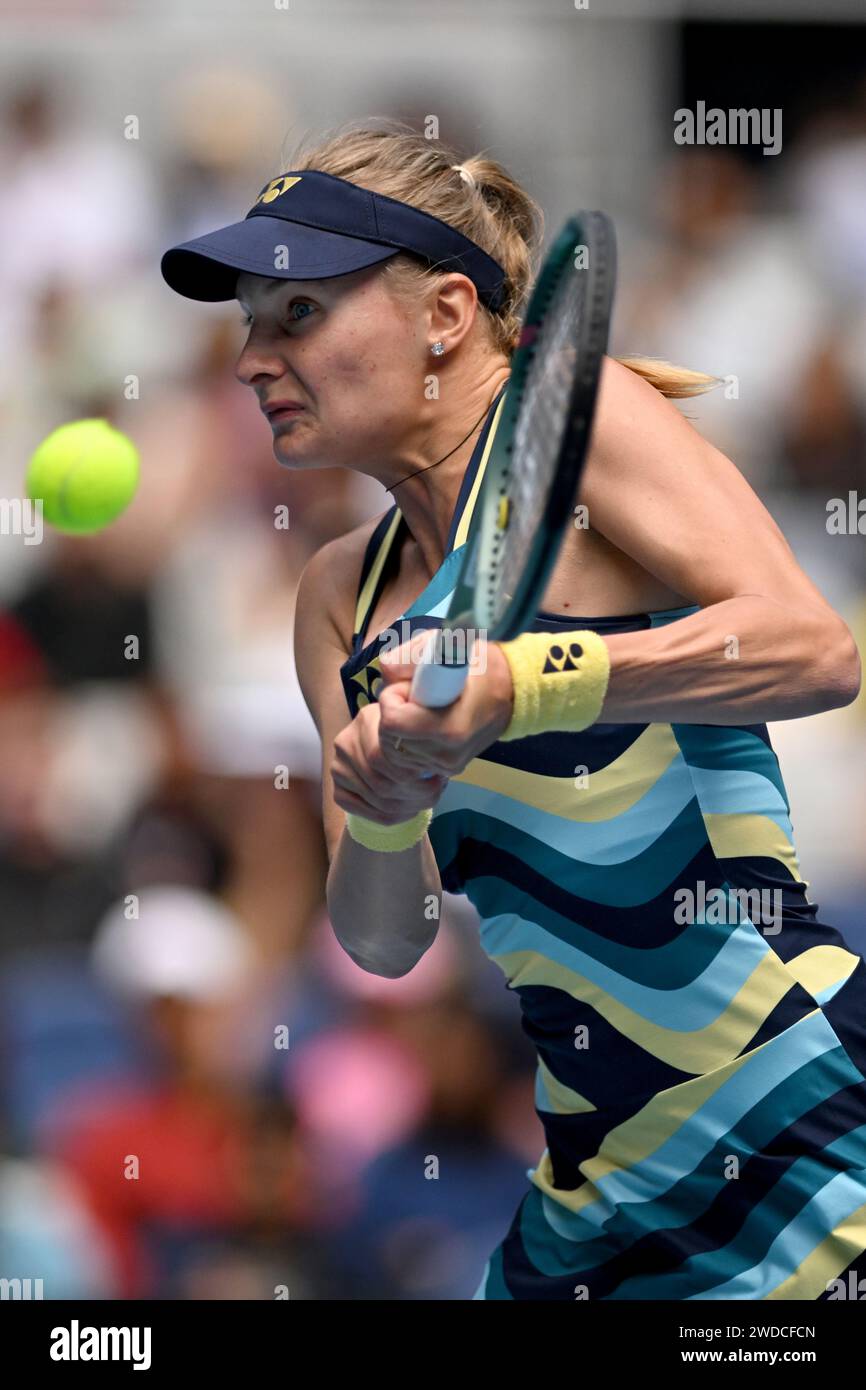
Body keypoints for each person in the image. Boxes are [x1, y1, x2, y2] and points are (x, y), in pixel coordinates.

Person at [161, 120, 866, 1301]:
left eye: (298, 314)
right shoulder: (336, 597)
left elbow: (812, 646)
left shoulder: (583, 425)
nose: (250, 358)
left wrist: (534, 679)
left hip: (799, 1109)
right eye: (247, 322)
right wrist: (383, 805)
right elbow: (382, 944)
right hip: (596, 1175)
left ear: (443, 314)